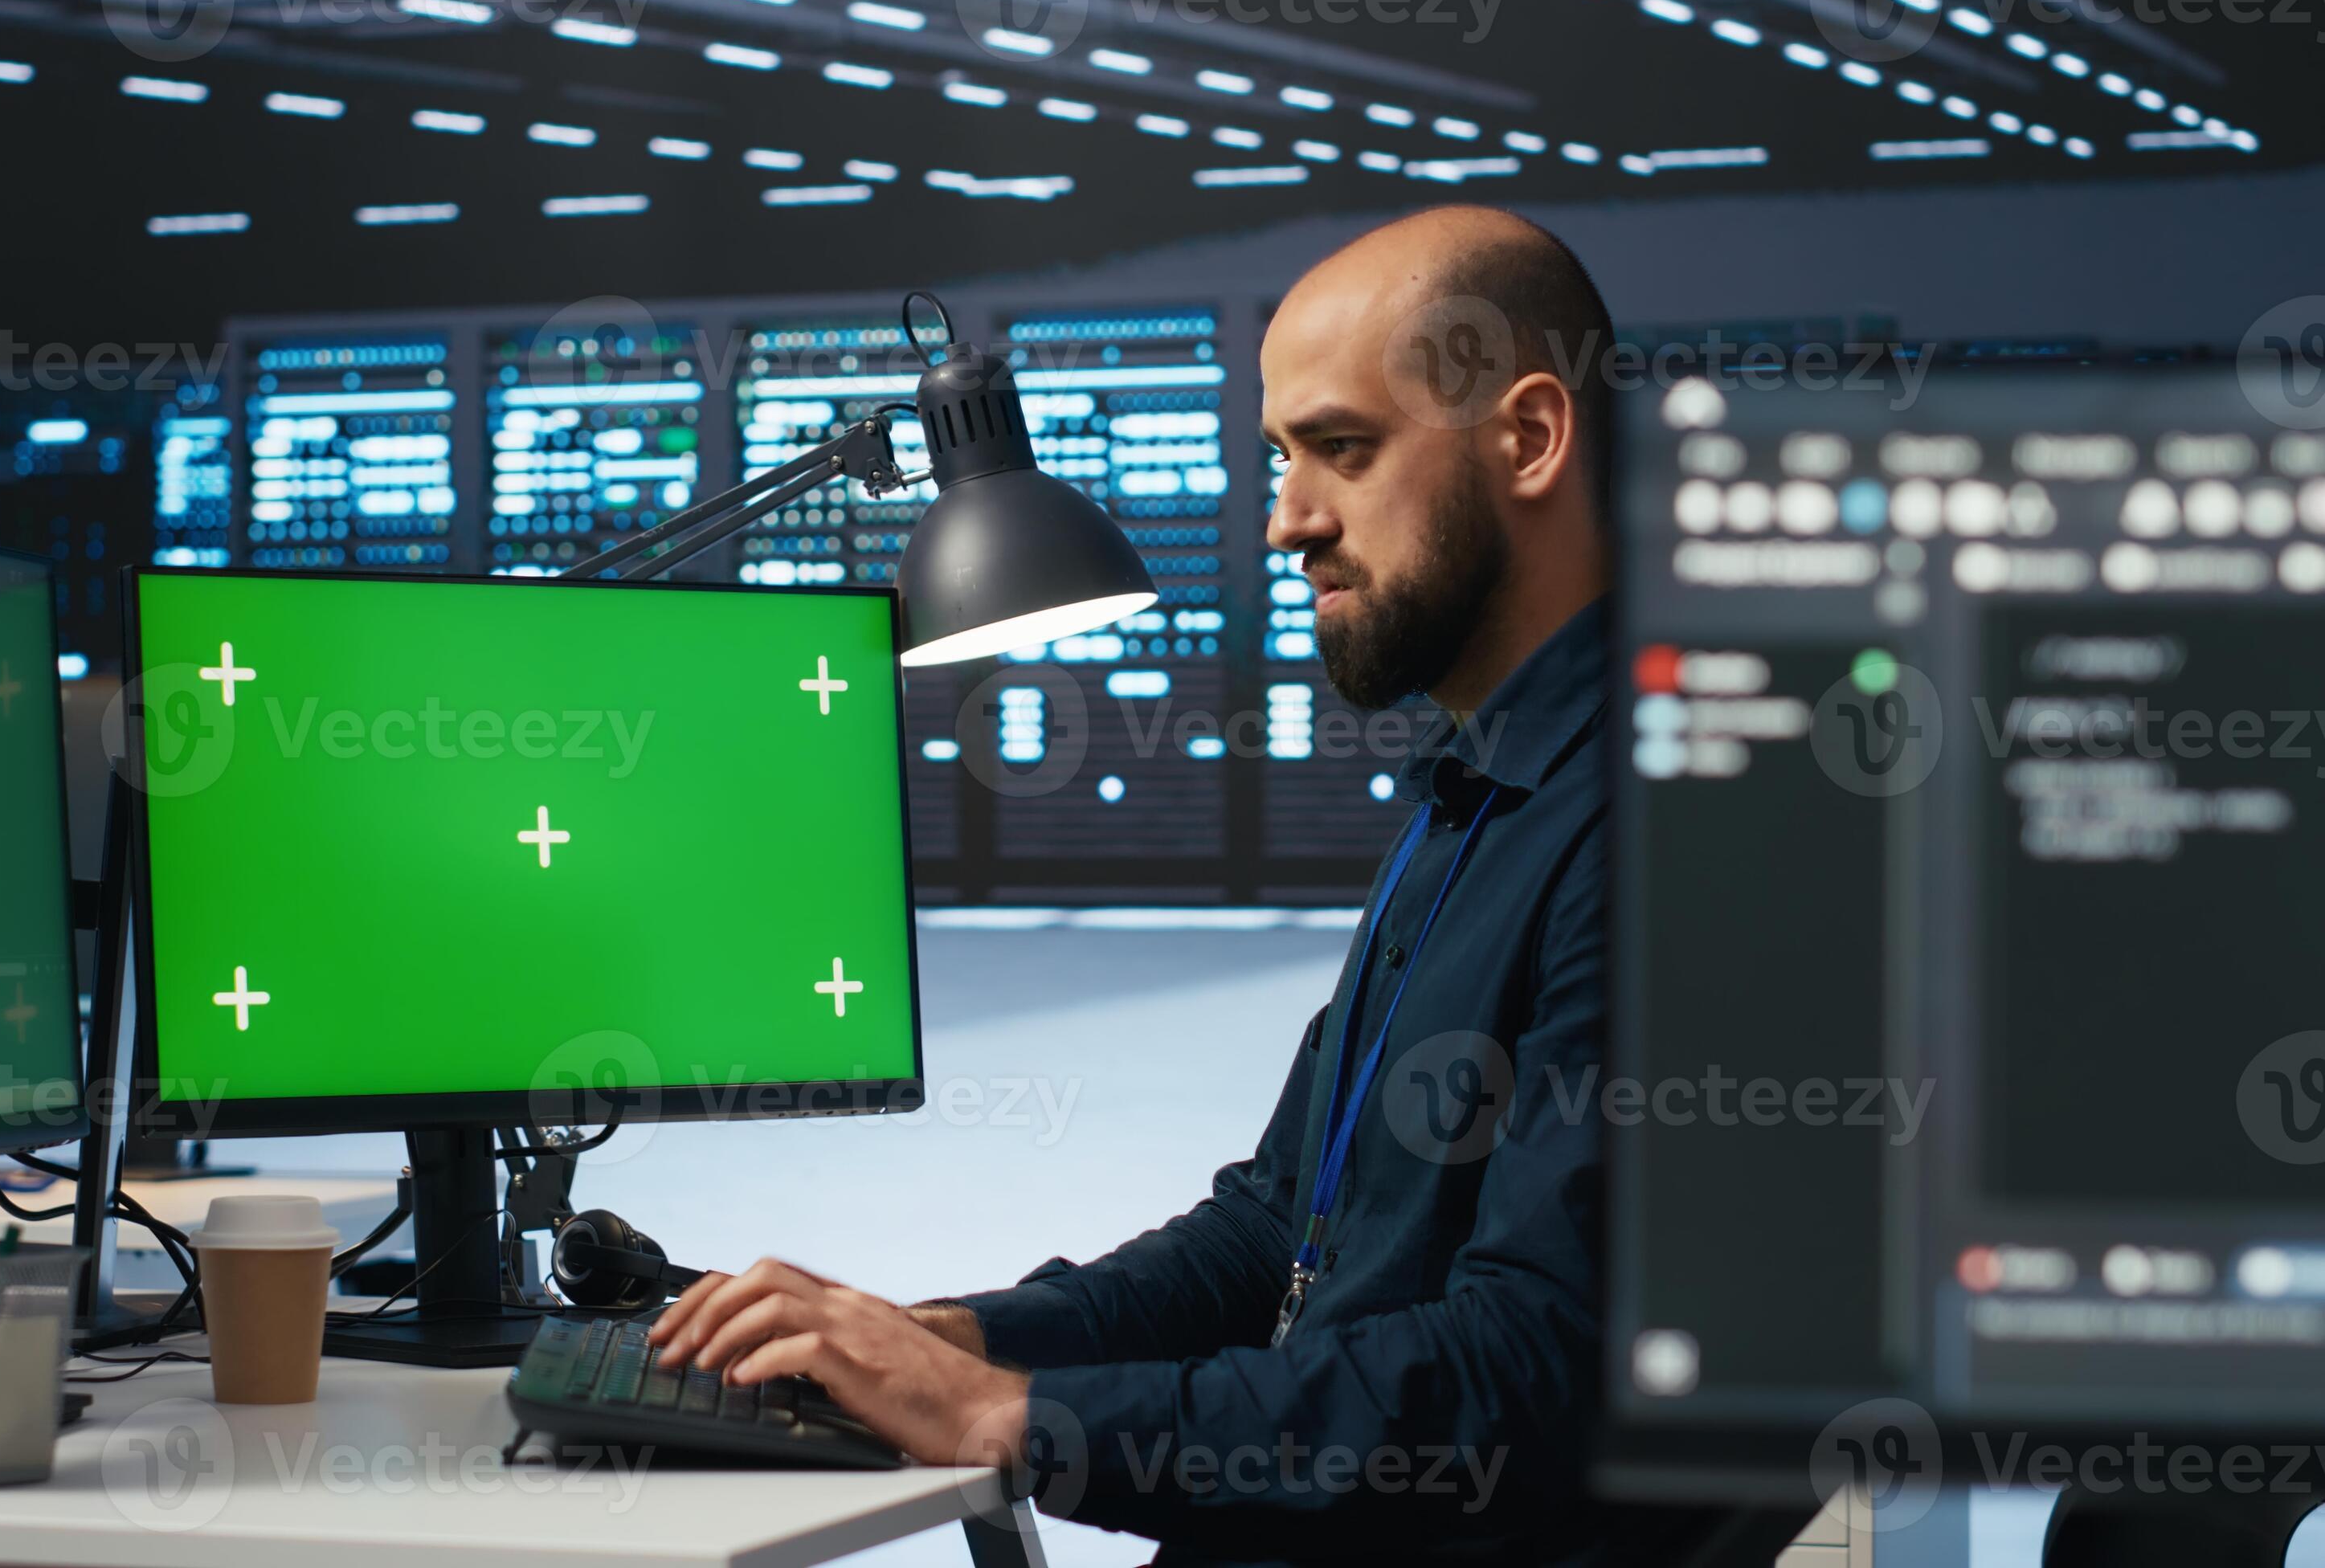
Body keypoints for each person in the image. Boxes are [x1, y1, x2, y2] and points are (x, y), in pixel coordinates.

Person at [650, 206, 1653, 1562]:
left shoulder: (1663, 828)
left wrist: (1015, 1417)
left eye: (1341, 451)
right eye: (1278, 458)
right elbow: (1271, 1238)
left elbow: (1527, 1376)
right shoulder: (1475, 790)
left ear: (1527, 437)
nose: (1289, 519)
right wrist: (956, 1338)